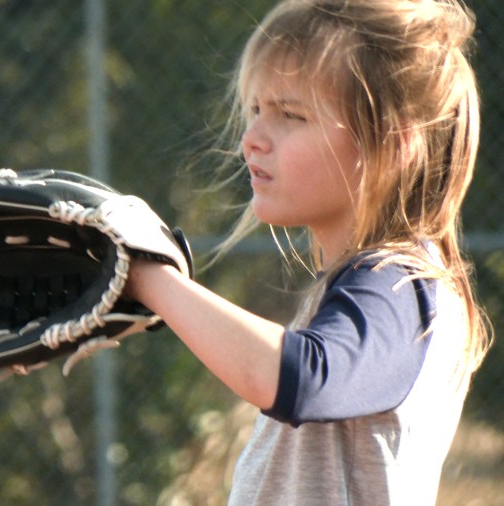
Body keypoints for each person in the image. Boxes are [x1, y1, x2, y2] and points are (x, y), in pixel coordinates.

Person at [124, 0, 492, 504]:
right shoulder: (367, 284)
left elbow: (306, 379)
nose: (252, 138)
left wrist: (150, 279)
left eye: (290, 115)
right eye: (256, 110)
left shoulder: (401, 283)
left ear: (394, 141)